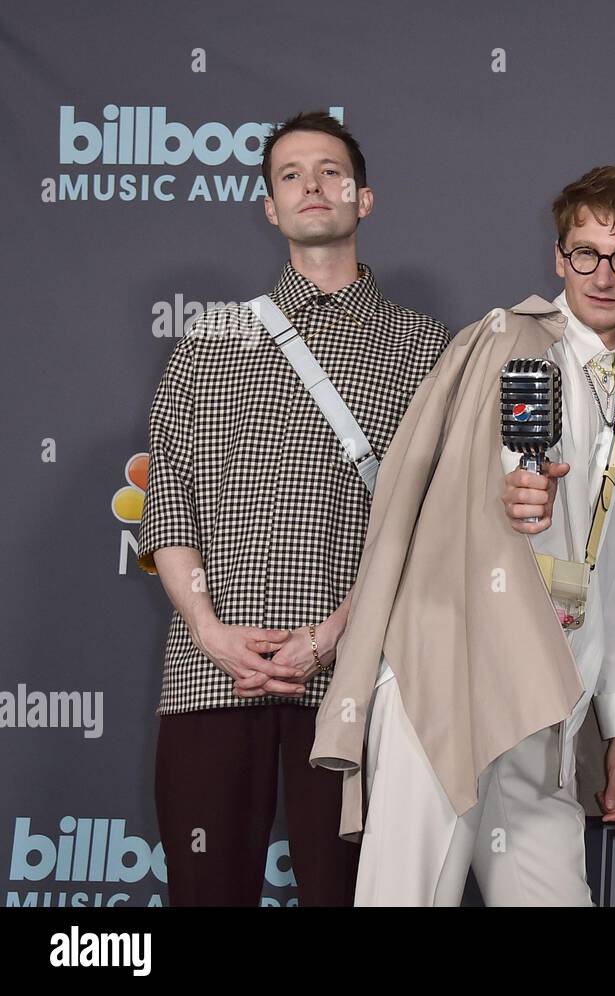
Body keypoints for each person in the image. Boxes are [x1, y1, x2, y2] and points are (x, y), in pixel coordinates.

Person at [311, 163, 615, 906]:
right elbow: (487, 476)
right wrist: (517, 498)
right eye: (584, 252)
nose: (602, 274)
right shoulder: (509, 339)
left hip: (548, 710)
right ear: (559, 257)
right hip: (449, 682)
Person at [138, 110, 450, 906]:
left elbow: (429, 519)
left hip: (357, 676)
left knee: (347, 895)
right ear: (271, 209)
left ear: (365, 199)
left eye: (331, 172)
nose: (312, 186)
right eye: (290, 175)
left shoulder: (426, 347)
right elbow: (167, 497)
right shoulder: (210, 339)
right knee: (205, 890)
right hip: (212, 675)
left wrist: (336, 633)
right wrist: (209, 630)